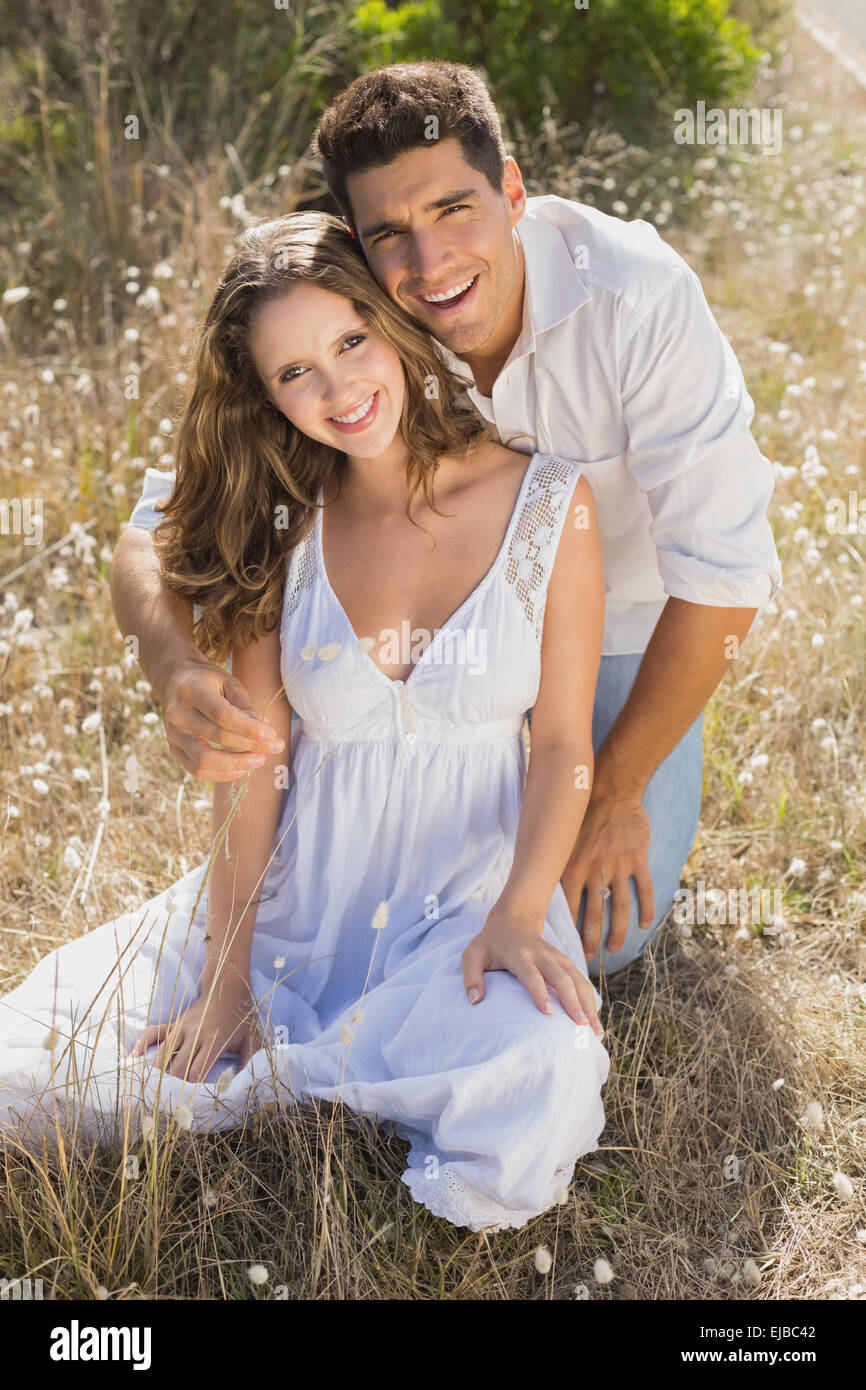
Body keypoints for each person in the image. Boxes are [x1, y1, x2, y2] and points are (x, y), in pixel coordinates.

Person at [0, 211, 609, 1234]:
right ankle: (312, 1071)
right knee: (29, 1072)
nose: (335, 389)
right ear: (266, 395)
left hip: (470, 893)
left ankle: (341, 1078)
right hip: (301, 893)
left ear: (393, 324)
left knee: (539, 1076)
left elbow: (560, 747)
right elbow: (256, 768)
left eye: (348, 342)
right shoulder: (285, 518)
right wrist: (229, 974)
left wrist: (519, 909)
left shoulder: (547, 502)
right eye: (292, 374)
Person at [113, 61, 783, 982]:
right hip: (399, 618)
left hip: (620, 628)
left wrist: (618, 787)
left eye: (455, 210)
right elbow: (152, 527)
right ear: (356, 240)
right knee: (358, 923)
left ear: (512, 190)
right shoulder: (359, 316)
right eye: (390, 232)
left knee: (597, 938)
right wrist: (175, 664)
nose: (430, 266)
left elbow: (727, 573)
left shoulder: (637, 297)